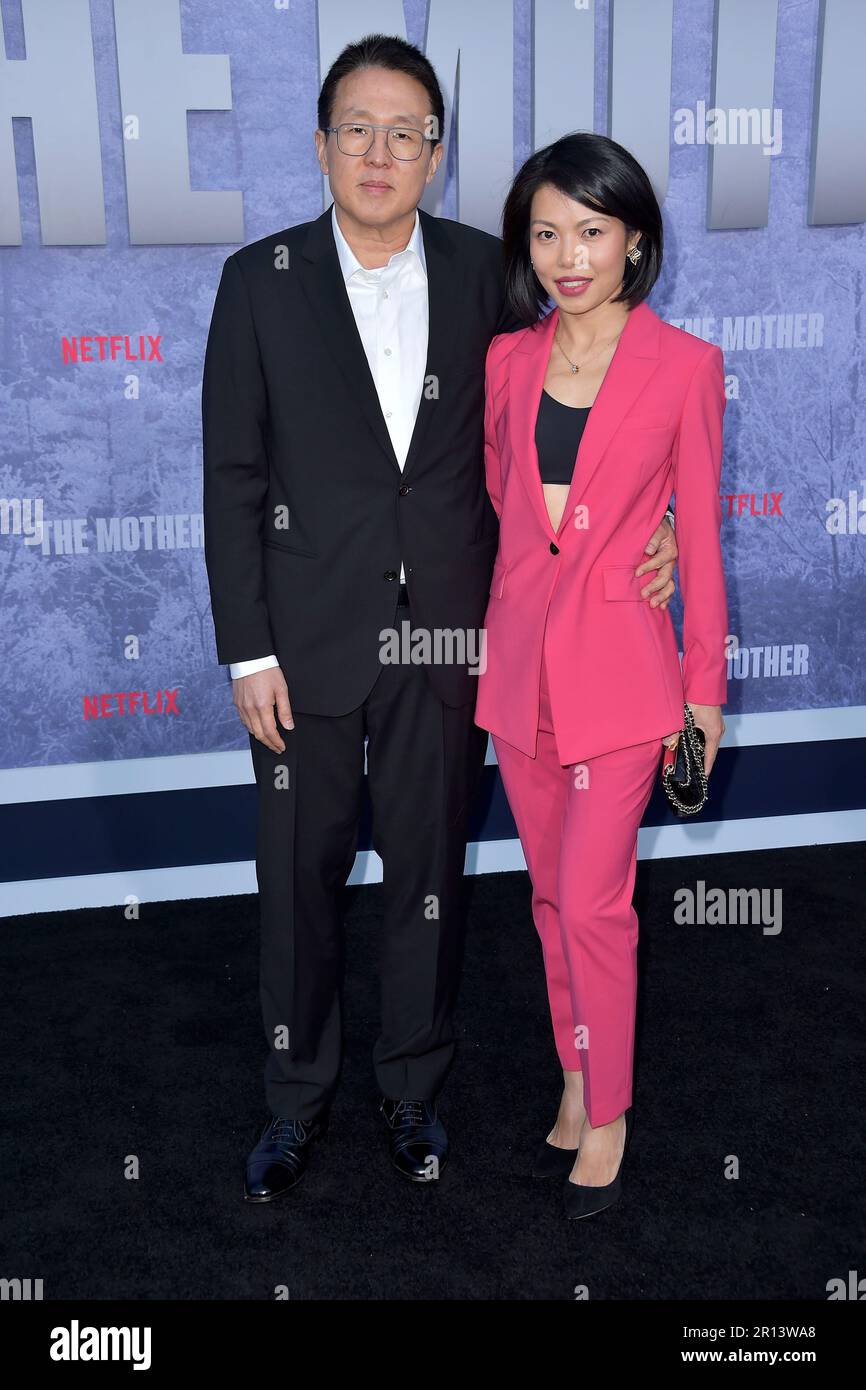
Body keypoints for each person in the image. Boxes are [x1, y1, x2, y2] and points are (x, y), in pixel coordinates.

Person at [202, 37, 679, 1203]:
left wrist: (646, 534)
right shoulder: (255, 279)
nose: (379, 152)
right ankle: (294, 1100)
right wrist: (245, 648)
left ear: (435, 153)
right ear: (320, 145)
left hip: (456, 643)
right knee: (297, 882)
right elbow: (230, 475)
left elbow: (576, 402)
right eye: (356, 129)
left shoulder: (489, 273)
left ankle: (411, 1088)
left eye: (405, 131)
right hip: (302, 643)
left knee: (429, 873)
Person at [474, 132, 728, 1219]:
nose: (566, 255)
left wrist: (704, 694)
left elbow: (703, 540)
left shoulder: (682, 366)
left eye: (590, 230)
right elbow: (508, 507)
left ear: (632, 241)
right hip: (520, 673)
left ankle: (610, 1110)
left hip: (627, 679)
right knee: (544, 898)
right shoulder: (506, 361)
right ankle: (574, 1078)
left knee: (591, 900)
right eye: (545, 233)